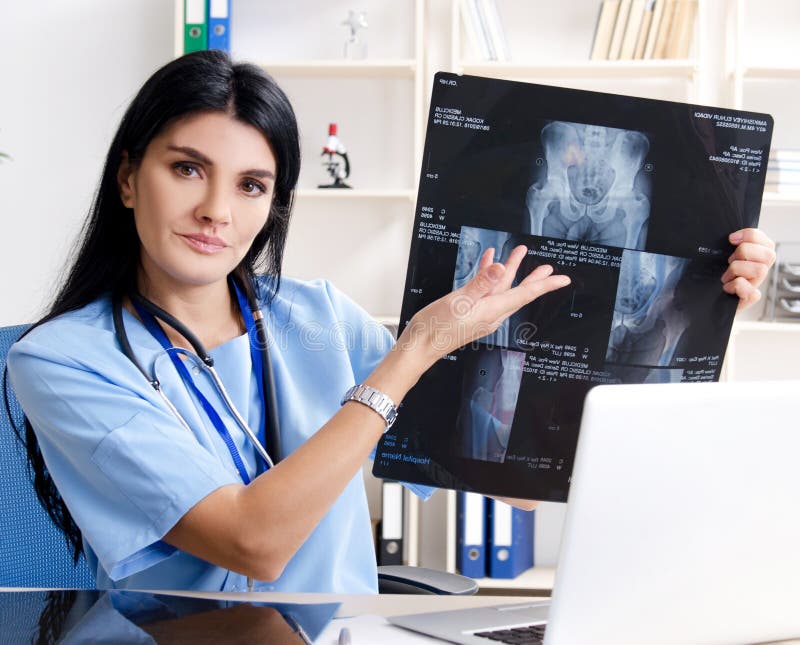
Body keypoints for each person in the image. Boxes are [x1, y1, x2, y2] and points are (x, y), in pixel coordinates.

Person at [5, 51, 775, 593]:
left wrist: (693, 301)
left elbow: (521, 484)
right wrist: (419, 347)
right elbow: (253, 540)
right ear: (128, 178)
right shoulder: (63, 359)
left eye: (251, 184)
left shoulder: (317, 317)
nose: (216, 210)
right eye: (186, 168)